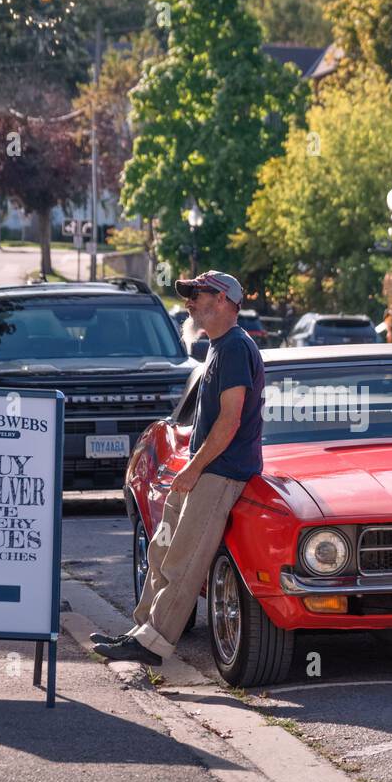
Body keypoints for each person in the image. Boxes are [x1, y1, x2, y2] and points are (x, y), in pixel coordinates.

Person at [92, 271, 265, 665]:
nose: (189, 302)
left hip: (221, 473)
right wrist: (189, 469)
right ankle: (140, 632)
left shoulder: (236, 347)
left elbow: (230, 421)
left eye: (197, 294)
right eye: (188, 295)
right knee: (163, 550)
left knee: (184, 560)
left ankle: (154, 644)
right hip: (204, 470)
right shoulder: (220, 347)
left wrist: (193, 470)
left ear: (223, 300)